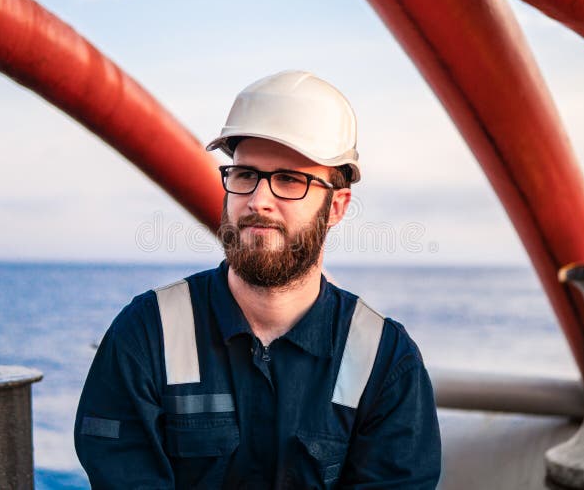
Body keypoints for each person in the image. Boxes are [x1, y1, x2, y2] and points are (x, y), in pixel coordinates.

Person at [74, 70, 441, 488]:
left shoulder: (384, 360)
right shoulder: (147, 334)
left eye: (290, 179)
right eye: (246, 174)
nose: (258, 200)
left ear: (337, 206)